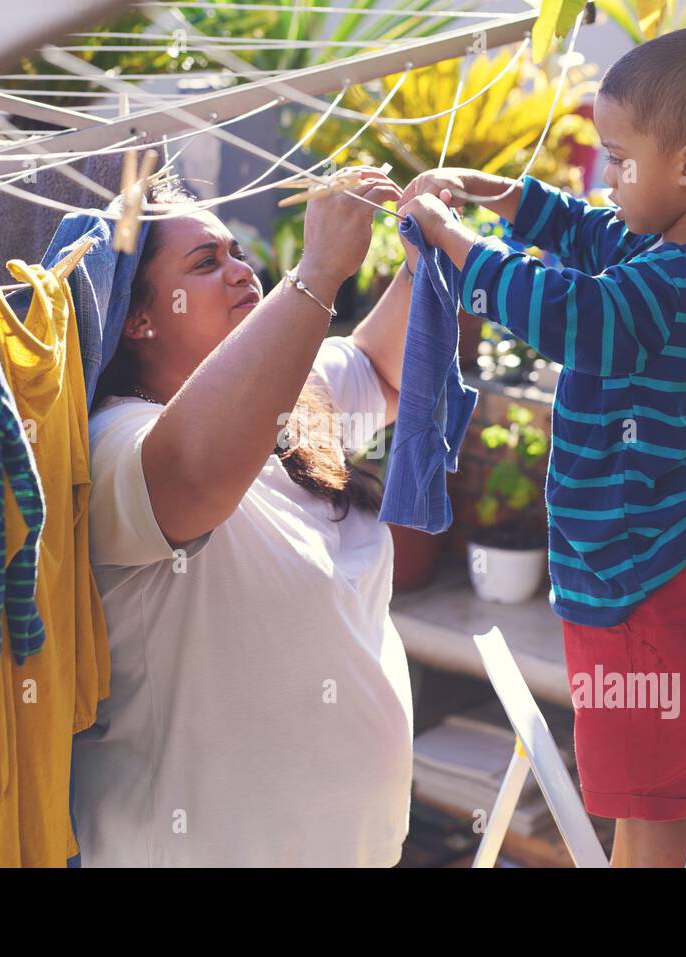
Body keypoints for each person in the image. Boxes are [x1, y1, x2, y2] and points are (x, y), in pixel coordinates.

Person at [397, 26, 686, 867]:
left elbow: (572, 314)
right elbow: (583, 232)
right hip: (635, 555)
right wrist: (493, 192)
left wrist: (457, 245)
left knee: (648, 795)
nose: (606, 176)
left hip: (645, 567)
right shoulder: (663, 248)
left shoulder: (678, 284)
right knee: (630, 779)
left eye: (618, 157)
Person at [71, 166, 425, 866]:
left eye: (237, 254)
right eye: (206, 263)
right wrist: (319, 270)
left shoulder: (294, 396)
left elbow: (386, 373)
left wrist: (423, 257)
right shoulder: (110, 441)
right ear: (138, 317)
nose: (239, 271)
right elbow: (195, 475)